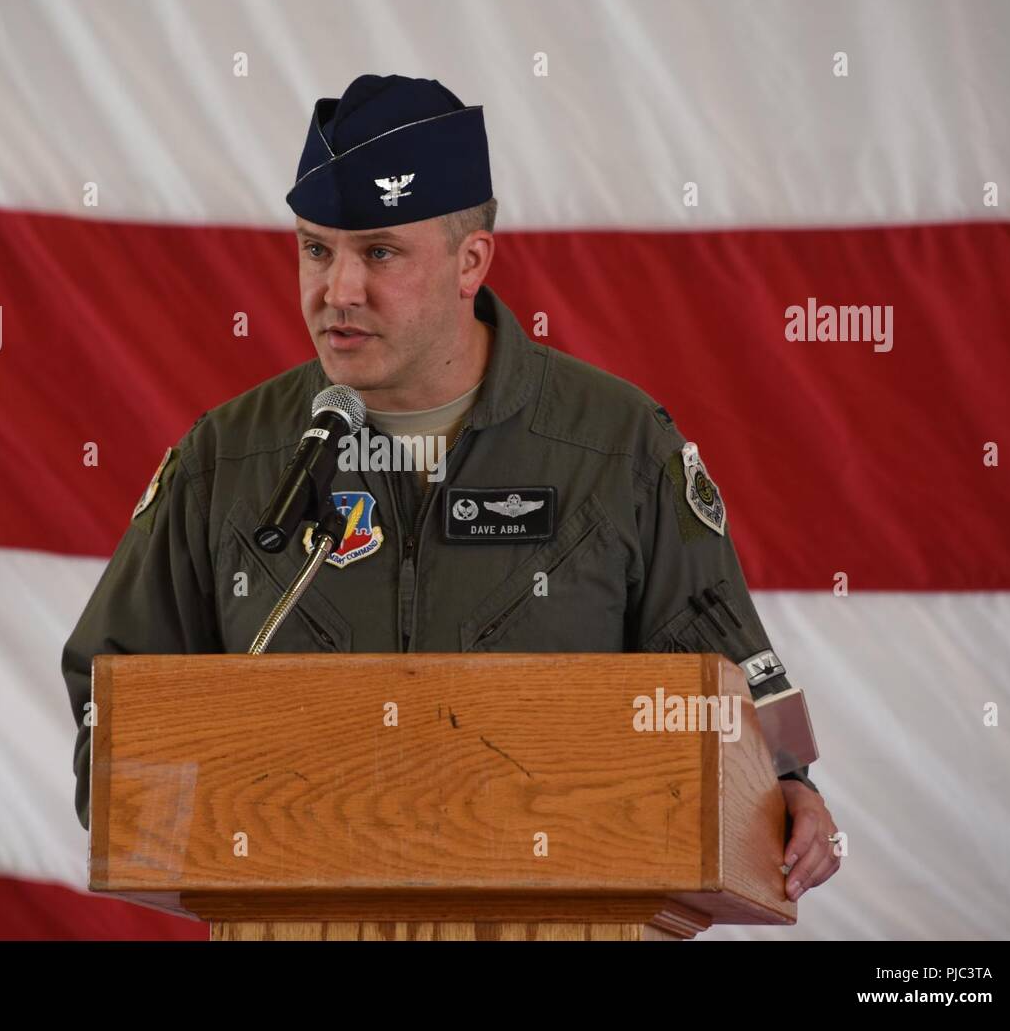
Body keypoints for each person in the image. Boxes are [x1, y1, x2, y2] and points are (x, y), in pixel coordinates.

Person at [62, 74, 842, 902]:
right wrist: (222, 824)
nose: (338, 292)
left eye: (381, 252)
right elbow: (112, 700)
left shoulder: (617, 447)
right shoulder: (229, 458)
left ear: (472, 260)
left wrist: (787, 786)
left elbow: (730, 689)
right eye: (316, 248)